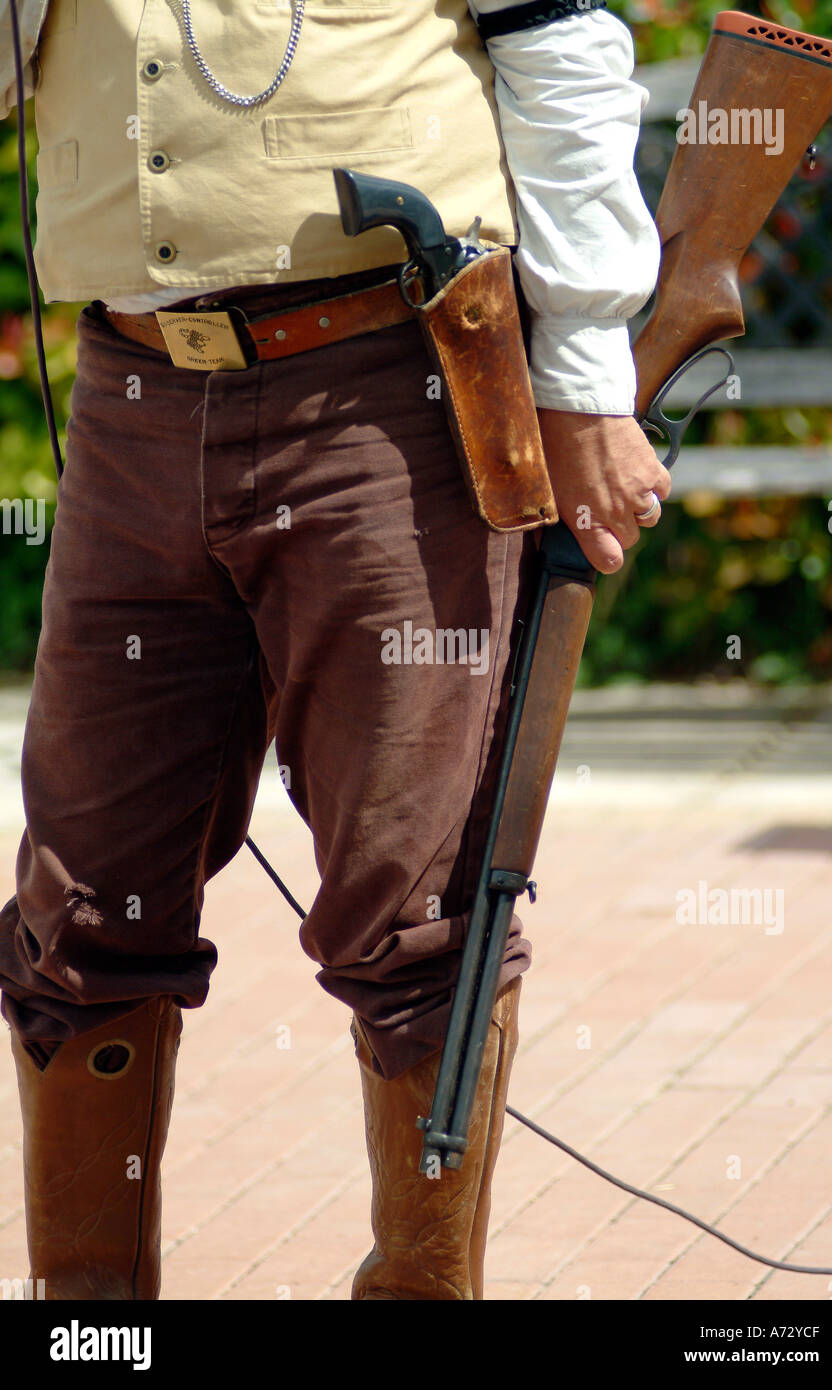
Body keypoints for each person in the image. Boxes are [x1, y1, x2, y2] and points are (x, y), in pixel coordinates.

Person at [0, 0, 670, 1300]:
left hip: (388, 387)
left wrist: (585, 376)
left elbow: (559, 44)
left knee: (414, 905)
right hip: (133, 394)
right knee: (82, 903)